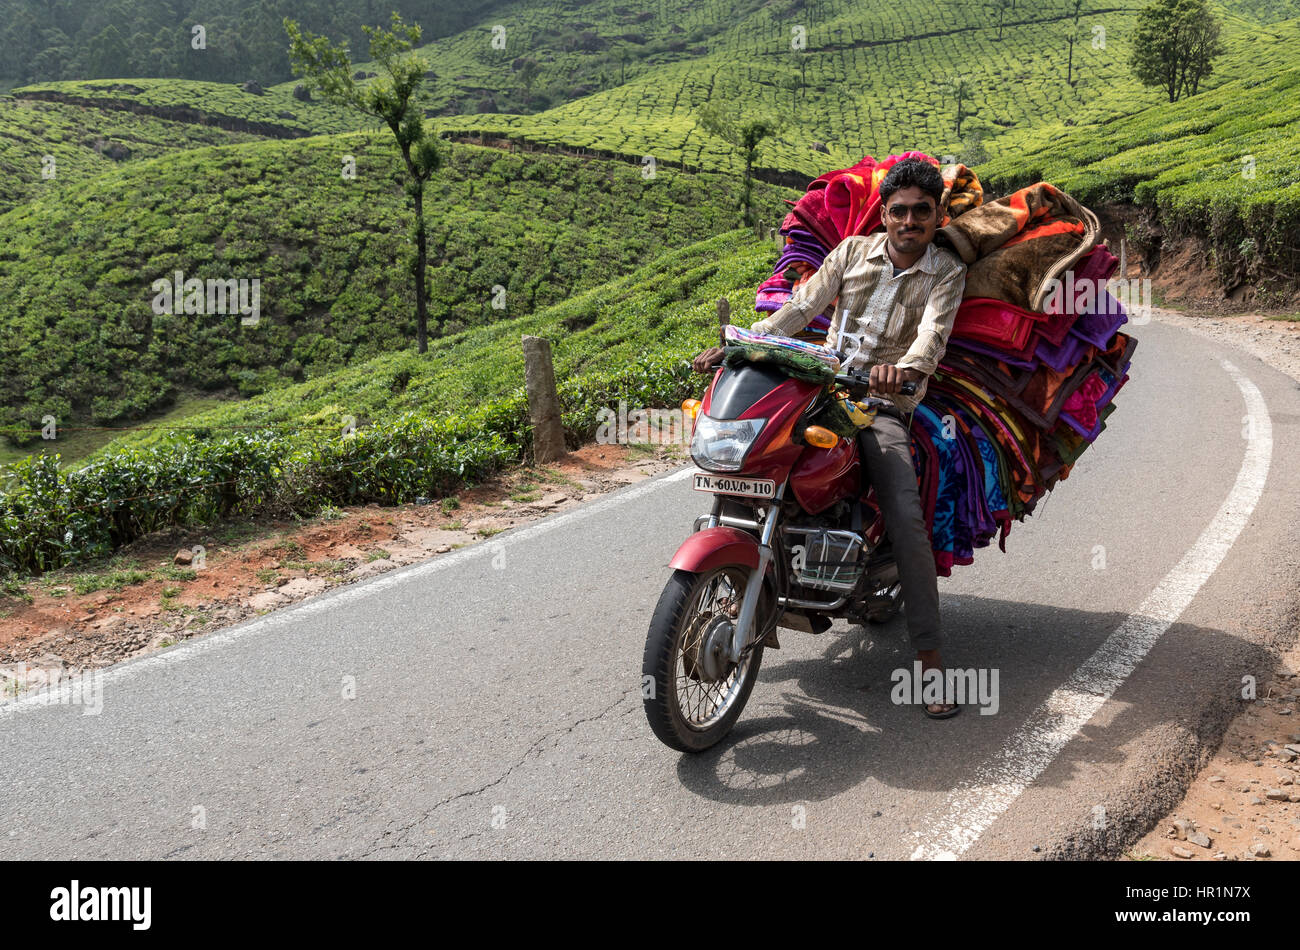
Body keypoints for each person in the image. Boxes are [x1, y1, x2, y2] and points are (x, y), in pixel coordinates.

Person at [691, 157, 968, 718]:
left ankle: (930, 659)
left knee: (906, 513)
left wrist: (904, 371)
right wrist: (742, 344)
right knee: (752, 463)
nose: (909, 221)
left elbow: (933, 336)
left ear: (937, 215)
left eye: (921, 211)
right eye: (899, 211)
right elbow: (800, 309)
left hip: (878, 403)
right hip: (821, 384)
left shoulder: (944, 271)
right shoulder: (850, 254)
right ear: (884, 215)